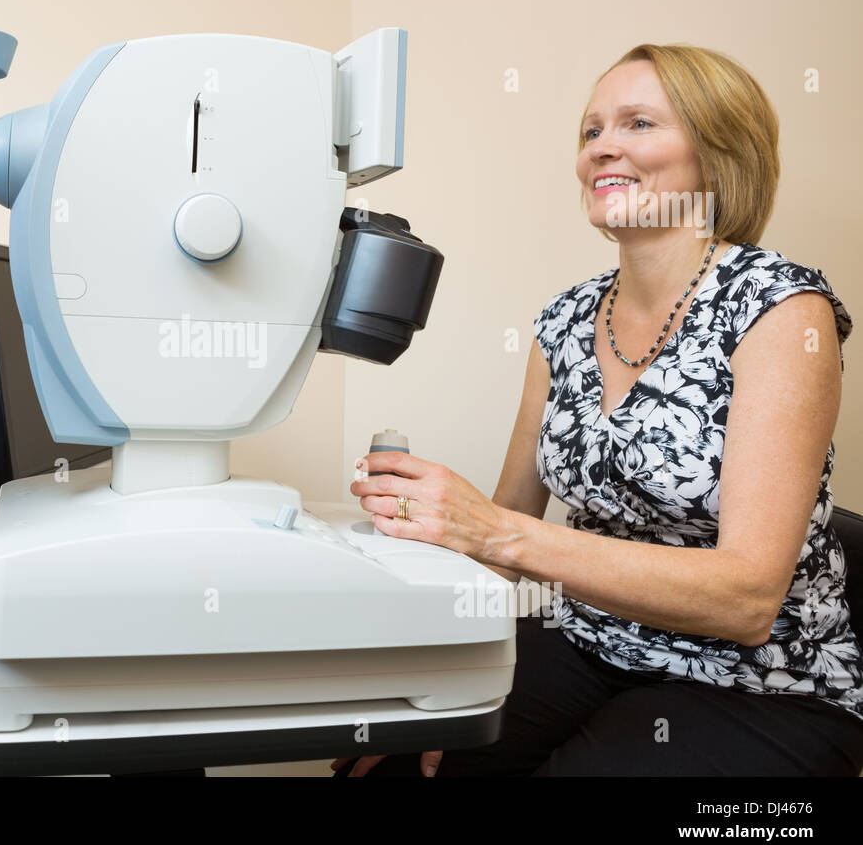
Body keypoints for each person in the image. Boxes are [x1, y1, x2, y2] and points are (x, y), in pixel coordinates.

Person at [333, 43, 863, 777]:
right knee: (394, 764)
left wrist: (497, 532)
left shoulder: (779, 309)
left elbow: (746, 598)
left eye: (638, 123)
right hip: (592, 640)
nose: (602, 148)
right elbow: (504, 532)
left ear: (716, 154)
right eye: (591, 132)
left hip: (758, 679)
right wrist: (428, 661)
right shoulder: (564, 320)